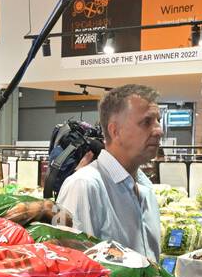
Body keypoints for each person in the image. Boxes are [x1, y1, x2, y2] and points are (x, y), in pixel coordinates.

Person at [55, 84, 163, 259]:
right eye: (147, 122)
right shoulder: (84, 186)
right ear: (115, 131)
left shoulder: (146, 188)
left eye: (158, 120)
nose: (159, 130)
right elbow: (71, 267)